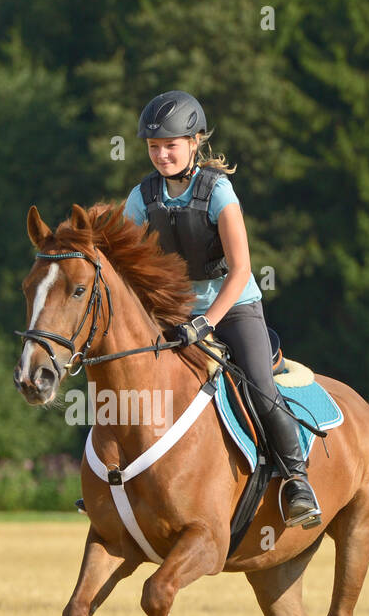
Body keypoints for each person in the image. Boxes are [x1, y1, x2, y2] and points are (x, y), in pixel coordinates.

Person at [124, 90, 321, 529]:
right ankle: (112, 477)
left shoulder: (219, 191)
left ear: (195, 142)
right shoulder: (141, 197)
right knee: (126, 379)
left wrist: (205, 322)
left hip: (232, 306)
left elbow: (241, 269)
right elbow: (125, 266)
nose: (161, 154)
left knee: (260, 387)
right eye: (153, 147)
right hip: (172, 309)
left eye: (170, 145)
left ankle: (297, 481)